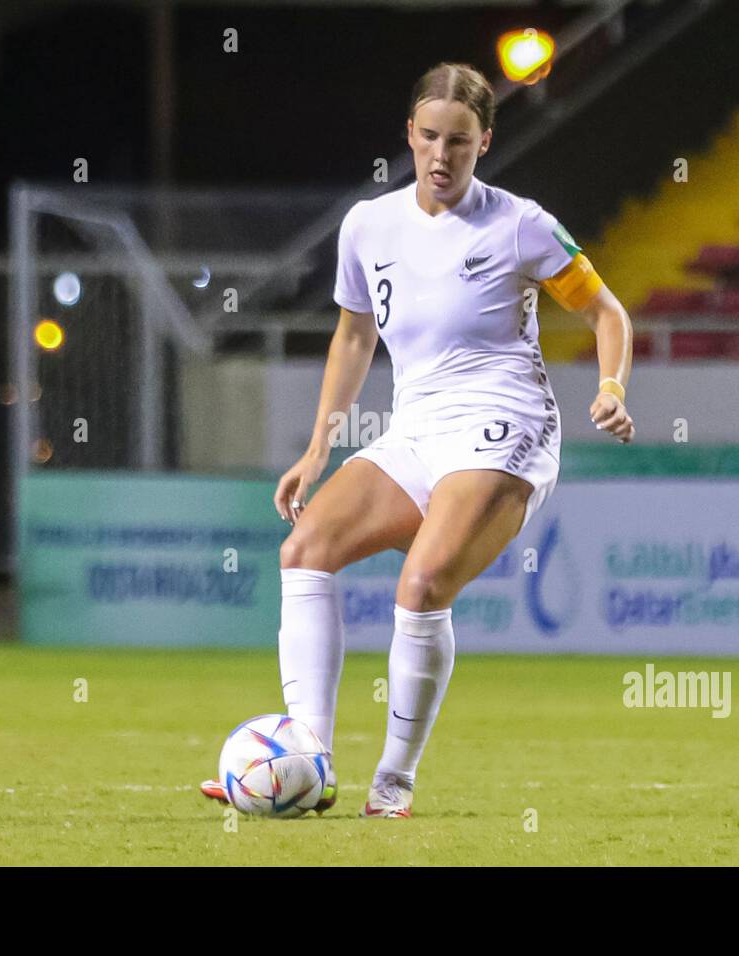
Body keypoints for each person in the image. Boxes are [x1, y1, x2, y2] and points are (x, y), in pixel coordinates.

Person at [203, 61, 634, 817]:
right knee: (304, 551)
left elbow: (607, 314)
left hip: (506, 430)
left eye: (459, 142)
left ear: (484, 143)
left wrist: (610, 388)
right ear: (408, 134)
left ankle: (392, 784)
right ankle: (311, 761)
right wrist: (316, 449)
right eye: (429, 137)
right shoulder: (369, 225)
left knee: (421, 588)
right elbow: (352, 337)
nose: (441, 155)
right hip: (416, 431)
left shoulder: (521, 225)